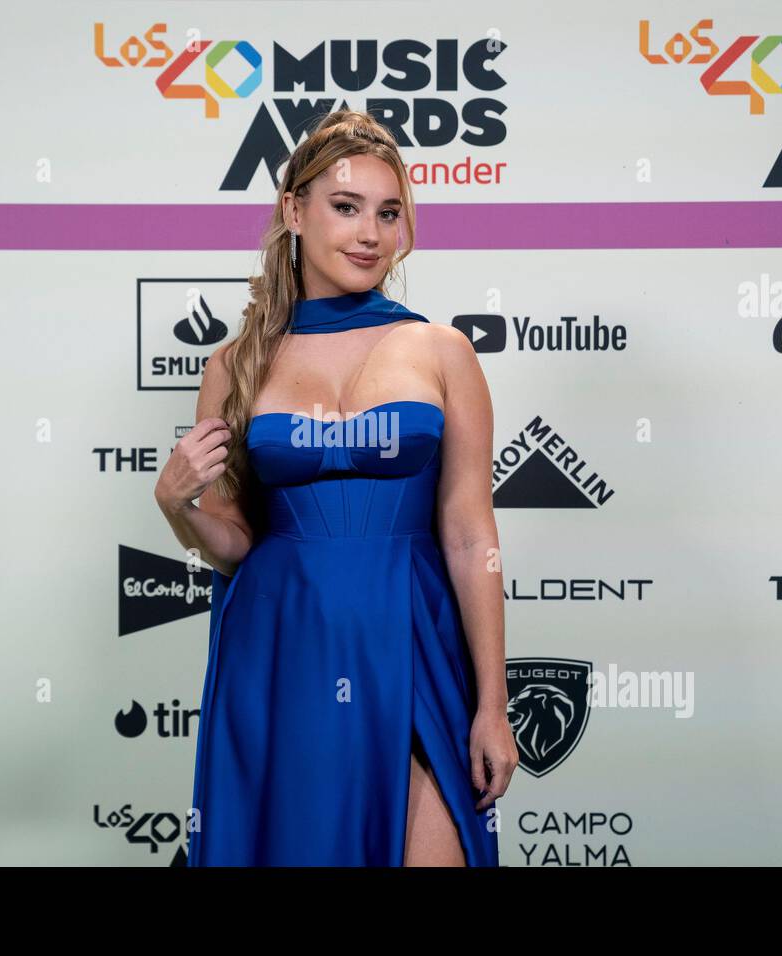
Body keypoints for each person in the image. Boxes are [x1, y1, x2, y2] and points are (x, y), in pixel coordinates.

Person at [154, 109, 516, 866]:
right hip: (283, 645)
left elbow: (469, 532)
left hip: (411, 640)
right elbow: (234, 544)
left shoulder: (442, 350)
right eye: (346, 207)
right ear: (294, 211)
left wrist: (493, 703)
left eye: (389, 213)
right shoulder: (235, 365)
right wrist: (176, 504)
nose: (369, 234)